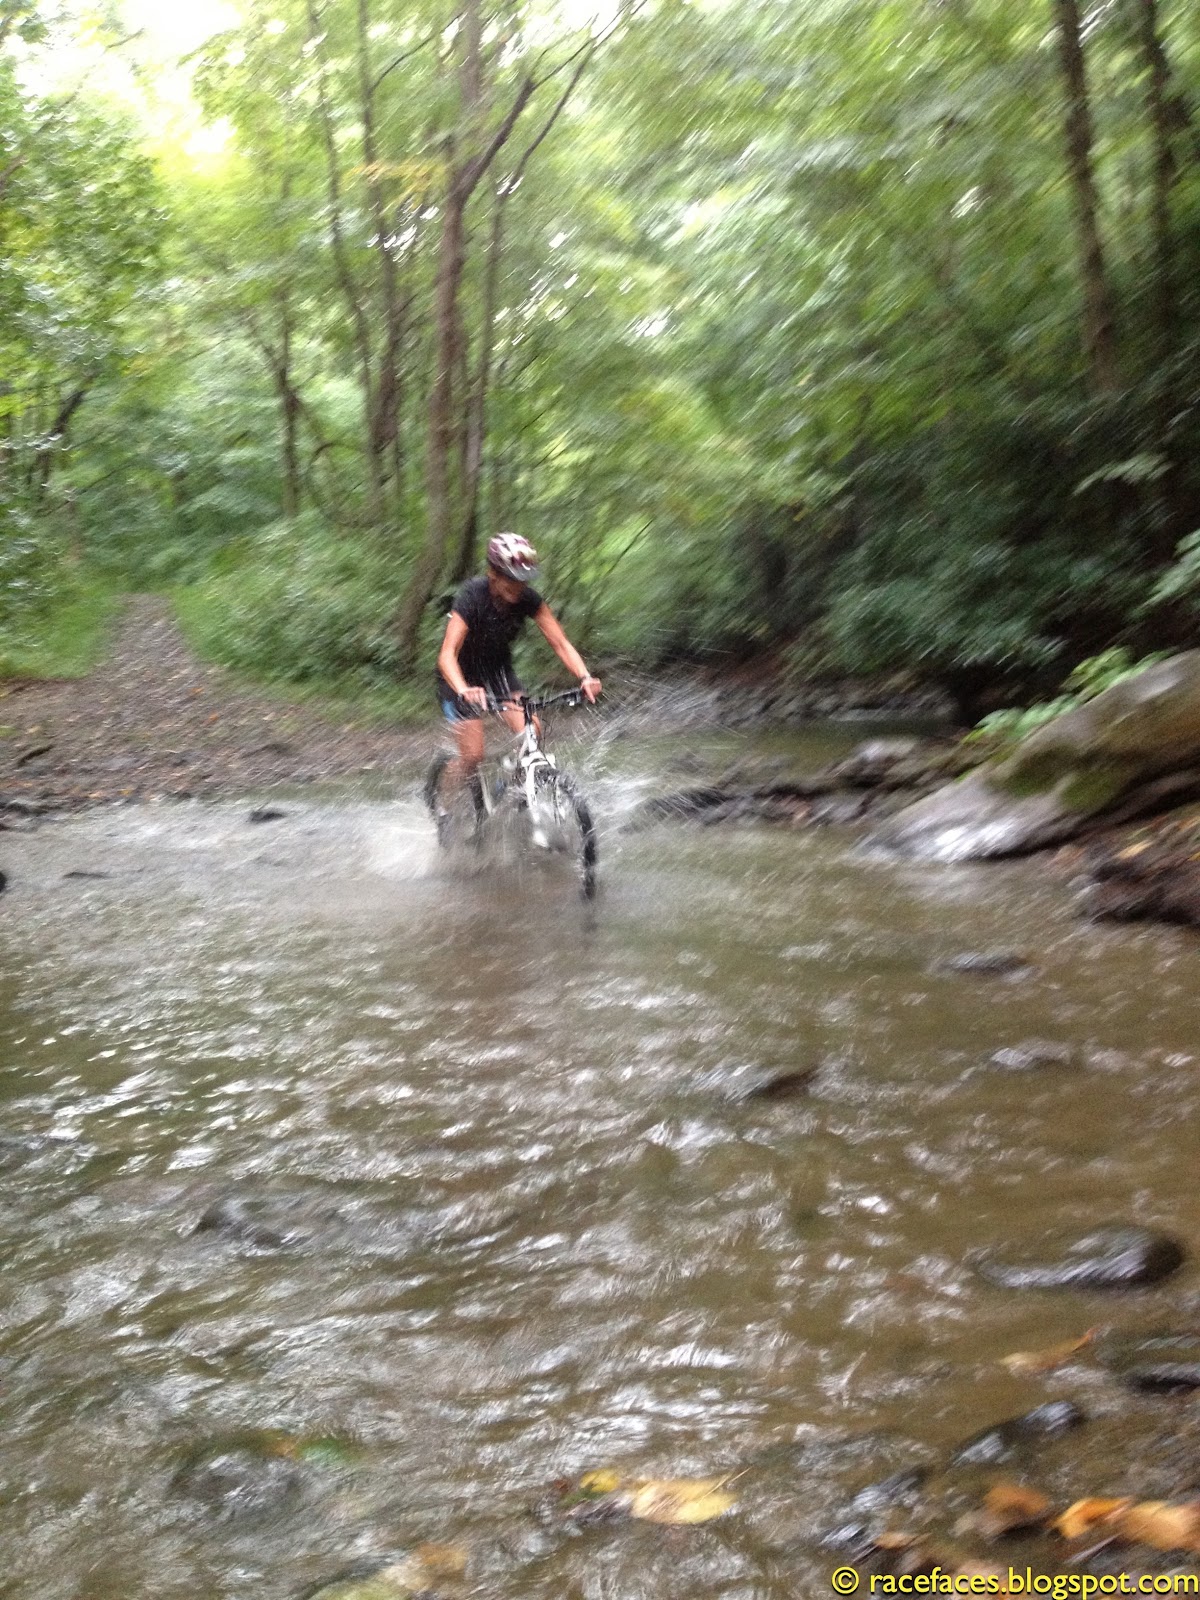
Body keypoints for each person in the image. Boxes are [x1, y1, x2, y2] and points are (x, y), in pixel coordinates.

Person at [433, 534, 601, 808]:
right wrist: (464, 689)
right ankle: (444, 808)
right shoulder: (472, 597)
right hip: (458, 678)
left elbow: (559, 642)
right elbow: (447, 654)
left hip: (497, 671)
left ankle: (509, 795)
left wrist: (585, 677)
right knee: (473, 756)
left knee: (531, 731)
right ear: (493, 574)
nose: (518, 586)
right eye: (511, 578)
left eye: (523, 579)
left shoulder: (528, 599)